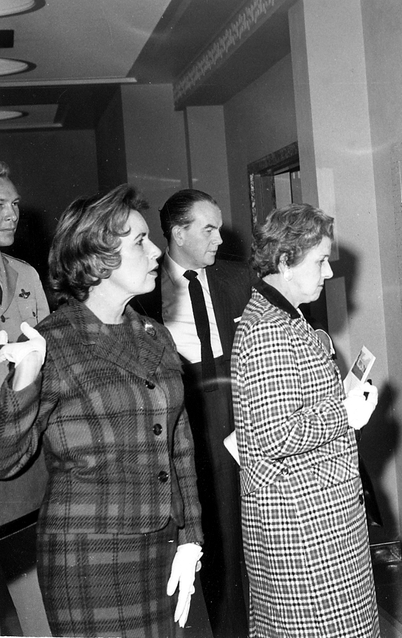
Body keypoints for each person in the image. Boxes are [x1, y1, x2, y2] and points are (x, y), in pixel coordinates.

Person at [0, 184, 203, 637]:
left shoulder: (156, 335)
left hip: (164, 544)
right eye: (140, 242)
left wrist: (191, 537)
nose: (155, 252)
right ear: (97, 257)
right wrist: (25, 379)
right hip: (88, 556)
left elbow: (180, 448)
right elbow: (6, 458)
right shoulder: (51, 341)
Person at [232, 203, 380, 637]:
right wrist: (344, 413)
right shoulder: (267, 330)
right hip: (301, 528)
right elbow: (274, 434)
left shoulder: (289, 318)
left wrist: (343, 399)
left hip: (321, 515)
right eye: (319, 262)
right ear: (285, 262)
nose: (329, 274)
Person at [133, 188, 251, 638]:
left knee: (236, 521)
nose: (220, 238)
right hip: (179, 408)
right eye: (209, 228)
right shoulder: (144, 285)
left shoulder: (237, 278)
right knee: (198, 528)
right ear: (178, 233)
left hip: (231, 401)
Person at [0, 161, 50, 635]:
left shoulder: (26, 275)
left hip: (21, 465)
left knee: (36, 608)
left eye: (14, 204)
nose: (11, 214)